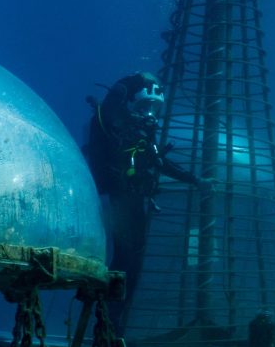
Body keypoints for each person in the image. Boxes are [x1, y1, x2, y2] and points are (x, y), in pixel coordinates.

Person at [81, 73, 196, 322]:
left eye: (155, 108)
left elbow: (158, 160)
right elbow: (106, 122)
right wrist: (124, 87)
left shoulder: (140, 132)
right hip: (119, 197)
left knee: (133, 259)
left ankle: (113, 317)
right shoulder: (113, 125)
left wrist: (194, 179)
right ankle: (107, 317)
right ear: (129, 103)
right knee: (125, 257)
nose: (150, 114)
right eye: (145, 106)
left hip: (134, 198)